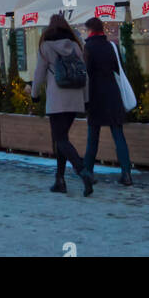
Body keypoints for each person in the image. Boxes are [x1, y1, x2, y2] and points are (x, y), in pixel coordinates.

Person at [30, 14, 94, 196]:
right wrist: (86, 98)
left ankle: (83, 171)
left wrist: (35, 95)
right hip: (75, 99)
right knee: (62, 140)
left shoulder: (46, 47)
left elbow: (39, 72)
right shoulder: (75, 46)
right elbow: (84, 74)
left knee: (60, 140)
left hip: (57, 99)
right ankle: (60, 180)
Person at [82, 17, 132, 187]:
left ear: (90, 30)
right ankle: (126, 174)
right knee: (119, 136)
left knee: (93, 138)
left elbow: (86, 74)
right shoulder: (112, 46)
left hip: (95, 95)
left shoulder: (87, 48)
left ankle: (88, 171)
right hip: (112, 94)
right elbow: (120, 70)